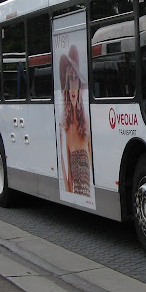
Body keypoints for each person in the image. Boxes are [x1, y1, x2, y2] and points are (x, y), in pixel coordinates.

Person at [58, 45, 92, 196]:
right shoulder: (63, 126)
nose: (73, 85)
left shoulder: (85, 122)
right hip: (74, 191)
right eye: (70, 79)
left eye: (75, 79)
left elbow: (92, 160)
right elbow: (65, 172)